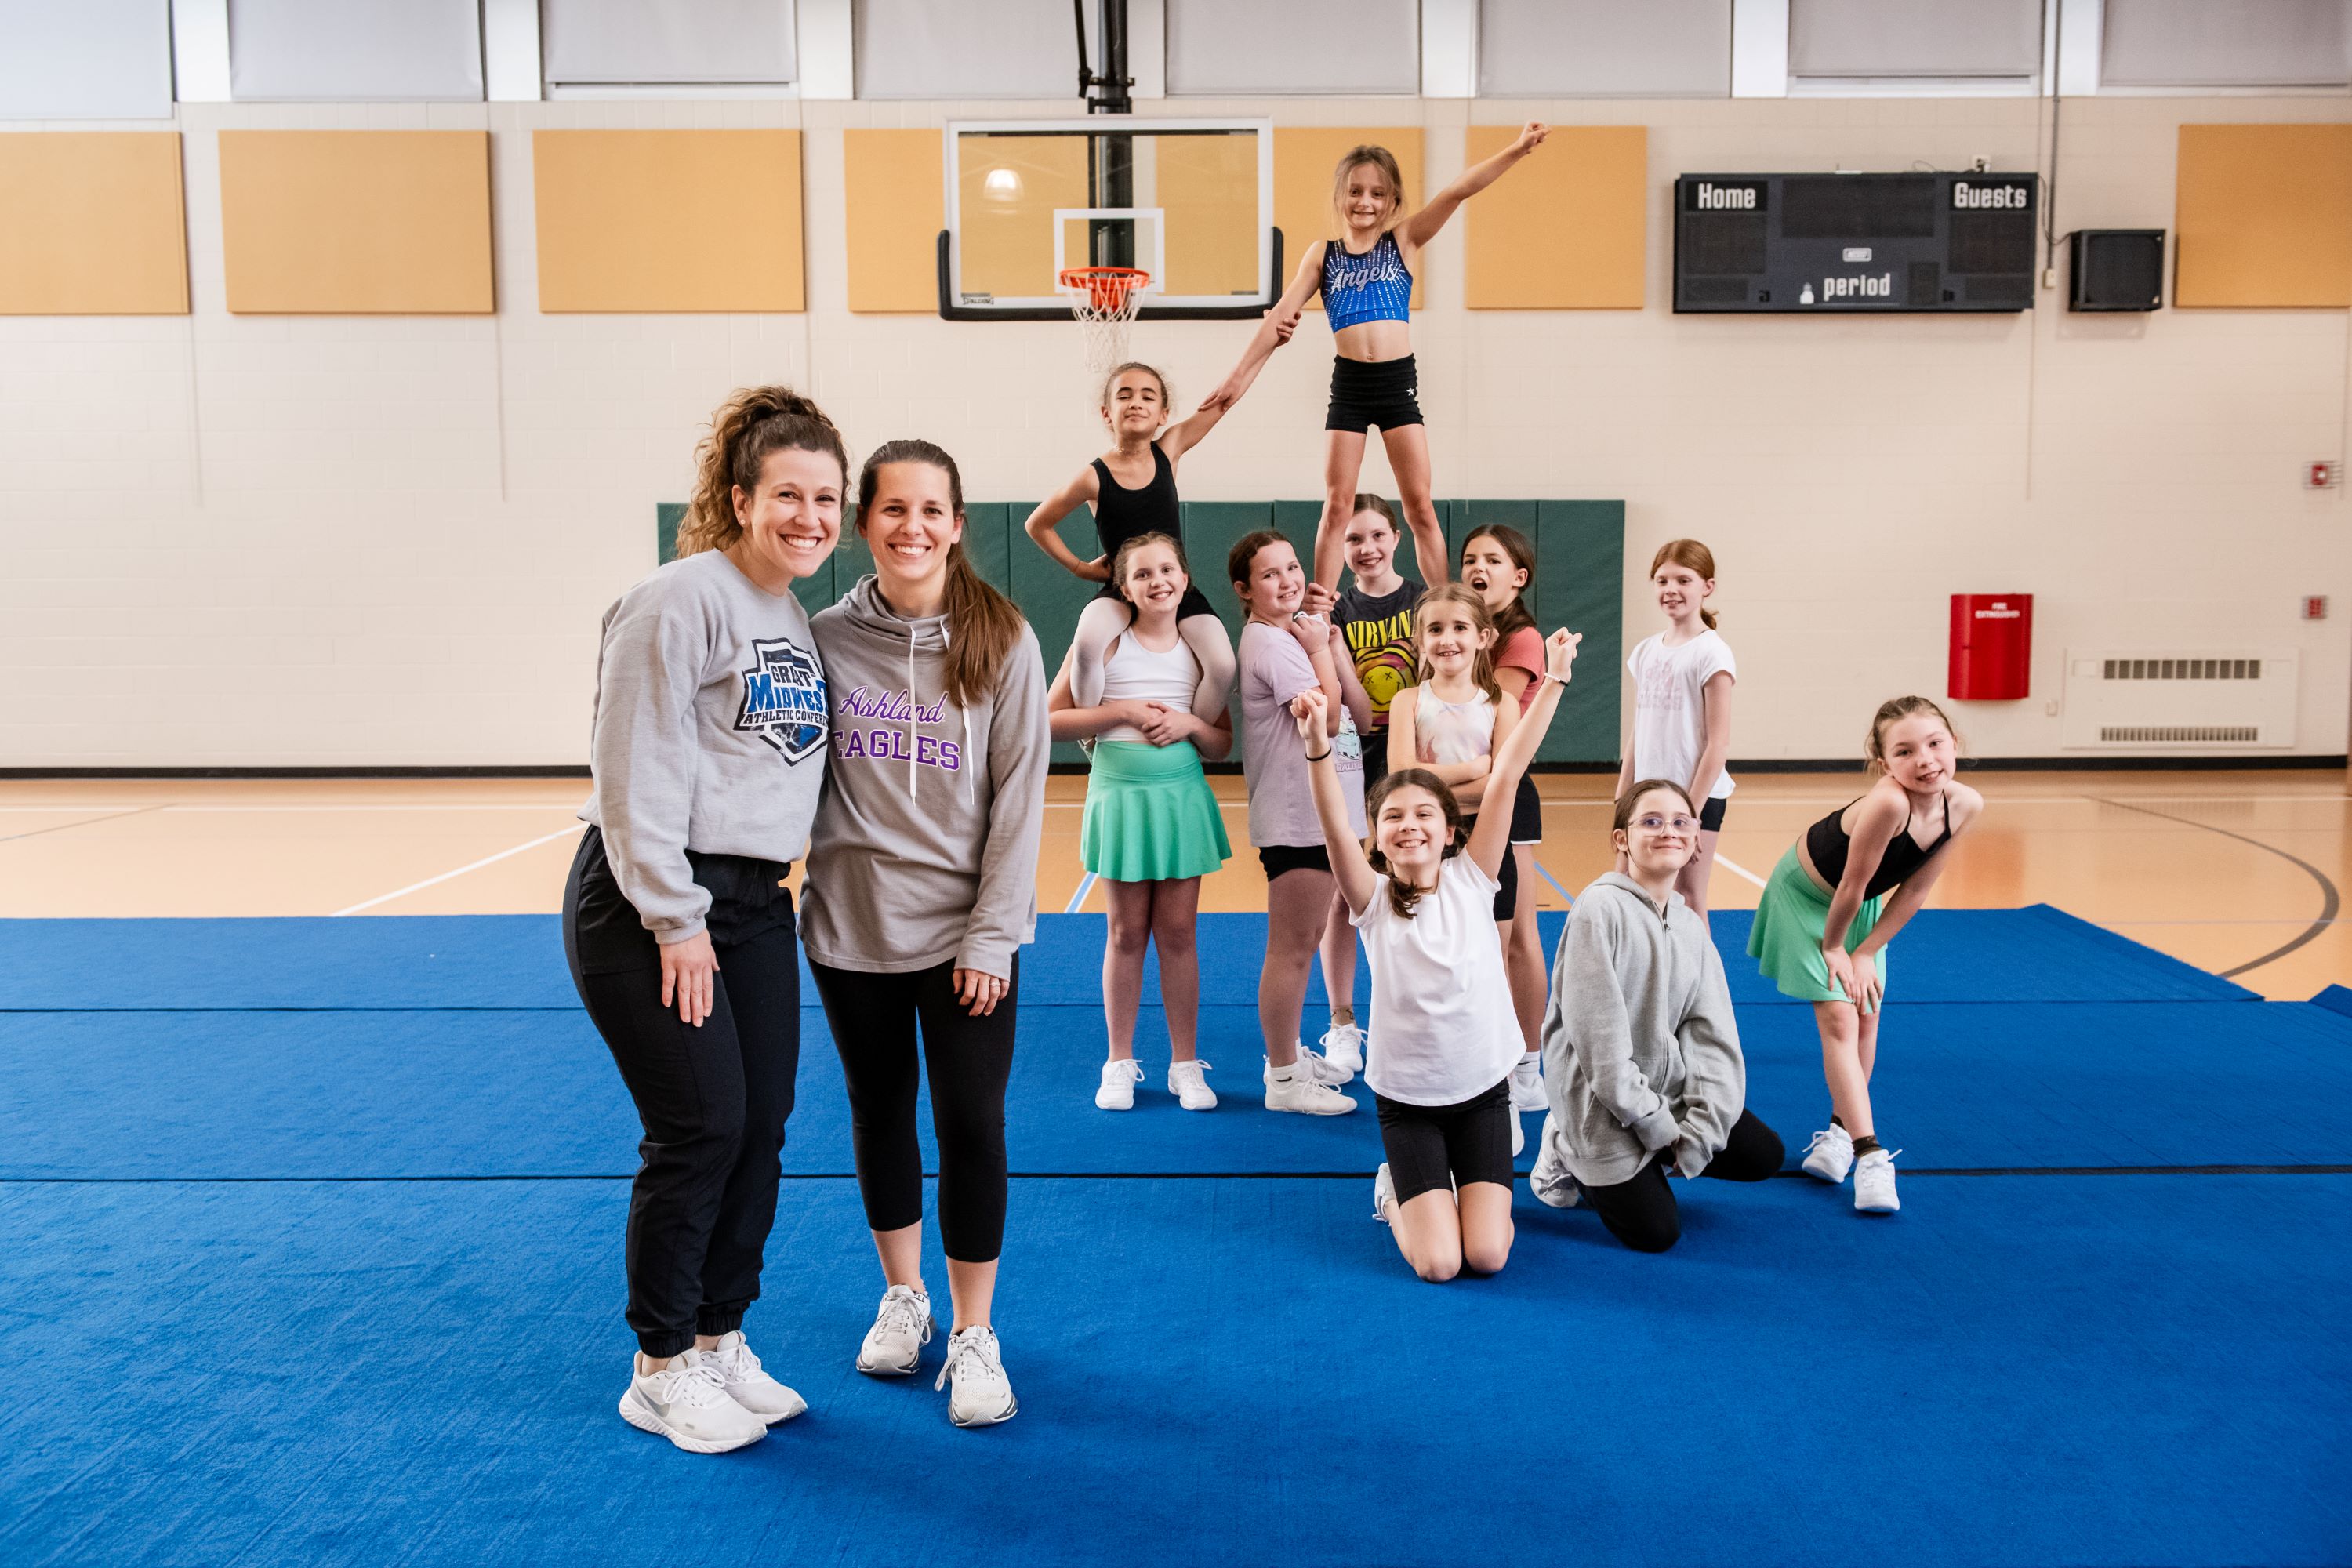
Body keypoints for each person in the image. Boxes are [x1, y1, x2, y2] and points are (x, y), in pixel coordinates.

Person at [564, 386, 843, 1455]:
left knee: (763, 1123)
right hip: (651, 900)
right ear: (739, 498)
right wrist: (674, 921)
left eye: (826, 497)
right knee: (700, 1126)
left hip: (755, 903)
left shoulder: (793, 619)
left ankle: (722, 1338)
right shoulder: (680, 600)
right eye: (787, 494)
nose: (810, 516)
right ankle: (661, 1363)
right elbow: (632, 771)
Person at [804, 438, 1049, 1426]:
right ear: (864, 522)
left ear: (957, 523)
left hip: (963, 941)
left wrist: (993, 937)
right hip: (851, 929)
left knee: (972, 1125)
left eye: (931, 510)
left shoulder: (1005, 639)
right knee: (879, 1112)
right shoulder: (821, 637)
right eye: (892, 509)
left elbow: (1020, 803)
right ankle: (904, 1296)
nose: (912, 527)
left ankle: (976, 1330)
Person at [1296, 627, 1579, 1282]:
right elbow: (1337, 825)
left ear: (1451, 831)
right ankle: (1395, 1187)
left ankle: (1459, 1191)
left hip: (1482, 1093)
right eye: (1393, 816)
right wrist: (1317, 754)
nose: (1409, 825)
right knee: (1441, 1264)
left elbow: (1507, 771)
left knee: (1488, 1254)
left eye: (1425, 814)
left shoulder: (1475, 879)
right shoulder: (1370, 900)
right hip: (1409, 1102)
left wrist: (1555, 680)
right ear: (1381, 836)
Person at [1211, 125, 1551, 591]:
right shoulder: (1323, 255)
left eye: (1377, 193)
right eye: (1355, 192)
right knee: (1336, 504)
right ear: (1340, 196)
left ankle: (1442, 601)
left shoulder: (1404, 241)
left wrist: (1515, 150)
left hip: (1396, 384)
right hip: (1350, 385)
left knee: (1420, 506)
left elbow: (1458, 191)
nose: (1365, 202)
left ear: (1392, 202)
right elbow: (1278, 321)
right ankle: (1323, 607)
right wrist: (1235, 381)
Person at [1748, 697, 1985, 1216]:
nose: (1924, 760)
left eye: (1935, 744)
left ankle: (1837, 1135)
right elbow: (1850, 886)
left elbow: (1917, 888)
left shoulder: (1964, 805)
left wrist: (1869, 951)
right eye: (1905, 751)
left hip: (1860, 907)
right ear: (1885, 765)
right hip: (1811, 900)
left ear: (1955, 744)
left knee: (1868, 1013)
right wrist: (1837, 949)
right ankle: (1871, 1155)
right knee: (1838, 1016)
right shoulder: (1889, 805)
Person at [1528, 780, 1785, 1253]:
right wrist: (1661, 1130)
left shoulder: (1691, 927)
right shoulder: (1598, 910)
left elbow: (1713, 1038)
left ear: (1695, 840)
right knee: (1656, 1234)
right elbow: (1602, 1051)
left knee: (1765, 1155)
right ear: (1621, 840)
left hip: (1663, 1091)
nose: (1668, 831)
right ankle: (1564, 1145)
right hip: (1601, 1103)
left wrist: (1701, 1128)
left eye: (1679, 822)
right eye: (1651, 821)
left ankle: (1645, 1156)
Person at [1047, 532, 1233, 1112]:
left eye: (1168, 570)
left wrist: (1190, 726)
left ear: (1185, 577)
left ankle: (1184, 1064)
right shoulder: (1106, 645)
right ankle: (1119, 1061)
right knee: (1126, 934)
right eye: (1144, 574)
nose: (1159, 582)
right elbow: (1050, 722)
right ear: (1124, 588)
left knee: (1179, 935)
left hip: (1179, 798)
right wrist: (1123, 711)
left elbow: (1222, 744)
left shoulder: (1198, 652)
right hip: (1120, 797)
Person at [1022, 343, 1292, 722]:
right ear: (1107, 413)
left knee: (1221, 663)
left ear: (1163, 414)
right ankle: (1092, 725)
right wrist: (1082, 569)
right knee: (1087, 643)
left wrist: (1266, 344)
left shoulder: (1169, 451)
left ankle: (1192, 727)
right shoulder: (1093, 476)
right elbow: (1037, 524)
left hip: (1175, 588)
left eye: (1148, 396)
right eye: (1124, 395)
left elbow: (1223, 402)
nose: (1136, 402)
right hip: (1122, 589)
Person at [1230, 528, 1372, 1113]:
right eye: (1270, 574)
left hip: (1327, 813)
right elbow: (1329, 712)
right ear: (1245, 589)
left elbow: (1361, 718)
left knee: (1307, 939)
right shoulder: (1270, 644)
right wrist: (1316, 650)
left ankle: (1286, 1053)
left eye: (1291, 567)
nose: (1287, 580)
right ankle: (1283, 1080)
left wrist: (1329, 644)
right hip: (1298, 818)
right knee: (1290, 949)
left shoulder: (1297, 634)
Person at [1381, 583, 1525, 1151]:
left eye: (1460, 628)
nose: (1447, 639)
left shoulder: (1502, 706)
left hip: (1482, 850)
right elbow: (1400, 778)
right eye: (1435, 629)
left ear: (1484, 637)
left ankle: (1500, 1089)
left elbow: (1502, 785)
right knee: (1429, 967)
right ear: (1420, 639)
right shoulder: (1407, 703)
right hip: (1422, 854)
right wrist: (1475, 766)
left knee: (1490, 966)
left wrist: (1441, 779)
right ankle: (1427, 1087)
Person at [1323, 494, 1424, 1071]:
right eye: (1354, 539)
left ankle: (1407, 1011)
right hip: (1354, 755)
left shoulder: (1422, 600)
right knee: (1345, 892)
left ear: (1396, 538)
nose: (1367, 549)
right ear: (1340, 547)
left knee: (1413, 888)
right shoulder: (1336, 610)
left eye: (1377, 536)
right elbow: (1349, 705)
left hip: (1412, 758)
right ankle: (1342, 1020)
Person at [1460, 524, 1549, 1116]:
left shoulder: (1521, 641)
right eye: (1469, 559)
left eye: (1492, 559)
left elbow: (1499, 739)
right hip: (1459, 800)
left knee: (1516, 935)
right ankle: (1478, 1055)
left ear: (1518, 576)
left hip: (1503, 793)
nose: (1477, 567)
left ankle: (1527, 1062)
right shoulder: (1462, 632)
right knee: (1470, 935)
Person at [1621, 540, 1736, 920]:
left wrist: (1691, 815)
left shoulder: (1712, 653)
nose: (1670, 590)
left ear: (1707, 586)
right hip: (1648, 795)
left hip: (1694, 797)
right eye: (1661, 580)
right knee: (1626, 889)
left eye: (1683, 580)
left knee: (1687, 895)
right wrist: (1623, 795)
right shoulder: (1646, 651)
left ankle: (1703, 982)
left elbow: (1718, 744)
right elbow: (1640, 729)